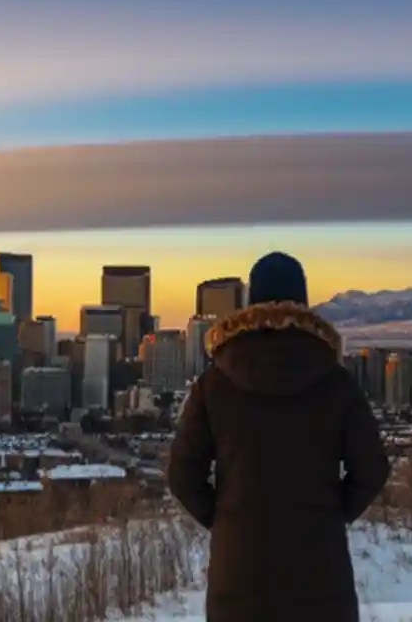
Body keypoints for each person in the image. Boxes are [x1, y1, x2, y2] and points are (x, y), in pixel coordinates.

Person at [168, 251, 391, 622]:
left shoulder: (214, 384)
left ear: (250, 305)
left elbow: (182, 475)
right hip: (321, 578)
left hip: (238, 576)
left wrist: (226, 520)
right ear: (303, 305)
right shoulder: (337, 382)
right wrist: (329, 517)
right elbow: (372, 469)